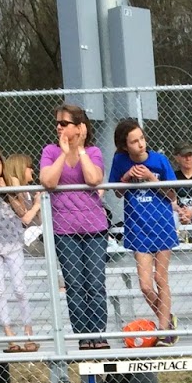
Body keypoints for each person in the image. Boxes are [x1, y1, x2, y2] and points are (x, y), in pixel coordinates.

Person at [40, 104, 109, 349]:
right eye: (57, 123)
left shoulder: (93, 152)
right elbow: (48, 181)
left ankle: (98, 335)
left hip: (94, 228)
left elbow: (93, 179)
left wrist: (79, 150)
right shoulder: (49, 151)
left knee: (95, 283)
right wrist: (63, 153)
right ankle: (83, 336)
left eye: (64, 123)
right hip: (65, 230)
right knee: (75, 285)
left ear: (79, 127)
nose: (58, 127)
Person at [111, 118, 178, 341]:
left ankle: (164, 331)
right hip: (138, 228)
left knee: (161, 278)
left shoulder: (159, 161)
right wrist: (127, 178)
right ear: (124, 146)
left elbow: (172, 195)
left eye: (142, 138)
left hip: (162, 225)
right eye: (134, 141)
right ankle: (167, 319)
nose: (140, 144)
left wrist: (150, 178)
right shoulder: (120, 160)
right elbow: (117, 193)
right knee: (145, 285)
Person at [0, 143, 40, 352]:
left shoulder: (11, 181)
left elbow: (22, 213)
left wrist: (8, 191)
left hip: (13, 241)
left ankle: (28, 333)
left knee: (20, 289)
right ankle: (10, 336)